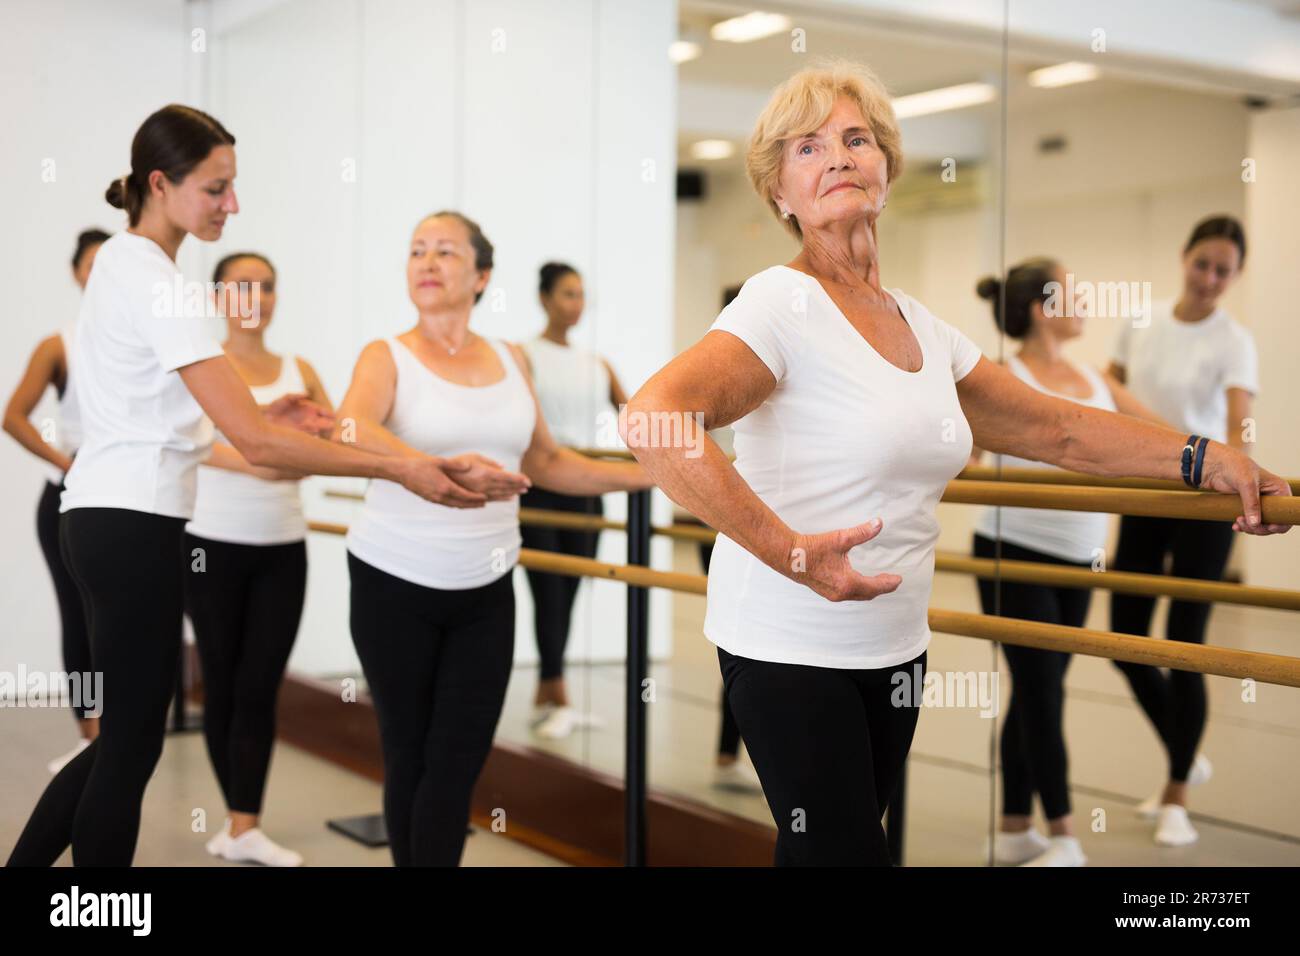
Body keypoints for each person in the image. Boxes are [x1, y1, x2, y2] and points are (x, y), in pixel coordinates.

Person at [622, 61, 1291, 867]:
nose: (837, 155)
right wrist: (787, 551)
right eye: (807, 148)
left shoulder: (924, 328)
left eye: (855, 138)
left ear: (887, 168)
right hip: (788, 644)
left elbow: (1057, 430)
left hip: (894, 646)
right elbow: (655, 418)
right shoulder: (779, 302)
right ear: (780, 196)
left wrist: (1204, 458)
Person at [6, 105, 521, 868]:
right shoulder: (153, 276)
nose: (232, 205)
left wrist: (267, 410)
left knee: (126, 742)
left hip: (115, 517)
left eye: (233, 187)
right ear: (160, 183)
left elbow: (177, 413)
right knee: (131, 751)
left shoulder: (132, 266)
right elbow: (250, 442)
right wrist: (403, 467)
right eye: (216, 189)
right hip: (128, 523)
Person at [338, 211, 653, 866]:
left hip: (484, 586)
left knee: (458, 759)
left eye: (445, 252)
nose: (426, 262)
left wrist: (649, 474)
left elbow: (547, 461)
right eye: (417, 250)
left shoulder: (511, 358)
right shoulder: (386, 355)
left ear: (481, 276)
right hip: (393, 581)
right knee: (411, 752)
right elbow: (351, 431)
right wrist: (431, 468)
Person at [970, 258, 1165, 866]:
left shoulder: (1096, 376)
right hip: (1012, 552)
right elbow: (963, 451)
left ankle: (1012, 828)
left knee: (1036, 691)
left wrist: (1225, 467)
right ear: (1040, 309)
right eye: (1072, 293)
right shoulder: (1005, 375)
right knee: (1043, 691)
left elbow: (1157, 435)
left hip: (1080, 557)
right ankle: (1065, 838)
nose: (1083, 301)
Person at [1106, 215, 1259, 847]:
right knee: (1124, 635)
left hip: (1205, 501)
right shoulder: (1141, 321)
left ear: (1235, 276)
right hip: (1147, 490)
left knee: (1185, 643)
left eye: (1224, 270)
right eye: (1203, 264)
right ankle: (1183, 745)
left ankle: (1177, 793)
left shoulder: (1234, 340)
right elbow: (1107, 384)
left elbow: (1238, 426)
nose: (1210, 279)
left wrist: (1242, 476)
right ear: (1183, 257)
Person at [184, 252, 332, 867]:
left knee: (259, 687)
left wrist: (299, 441)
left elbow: (335, 437)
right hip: (209, 546)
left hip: (282, 547)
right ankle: (238, 821)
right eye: (243, 286)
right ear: (218, 296)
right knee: (222, 682)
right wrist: (273, 450)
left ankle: (244, 825)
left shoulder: (299, 370)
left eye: (267, 287)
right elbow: (194, 447)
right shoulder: (199, 366)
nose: (257, 297)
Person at [3, 228, 109, 773]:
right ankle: (90, 734)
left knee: (119, 618)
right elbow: (12, 416)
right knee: (79, 615)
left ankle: (120, 733)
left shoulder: (140, 339)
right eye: (91, 265)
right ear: (76, 274)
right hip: (69, 501)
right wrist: (65, 461)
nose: (99, 273)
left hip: (126, 502)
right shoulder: (58, 345)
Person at [517, 261, 628, 739]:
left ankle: (549, 686)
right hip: (541, 487)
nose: (575, 304)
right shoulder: (523, 355)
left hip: (586, 492)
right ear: (544, 299)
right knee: (549, 591)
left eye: (581, 295)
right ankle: (555, 687)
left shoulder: (596, 363)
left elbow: (634, 414)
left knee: (573, 590)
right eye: (566, 294)